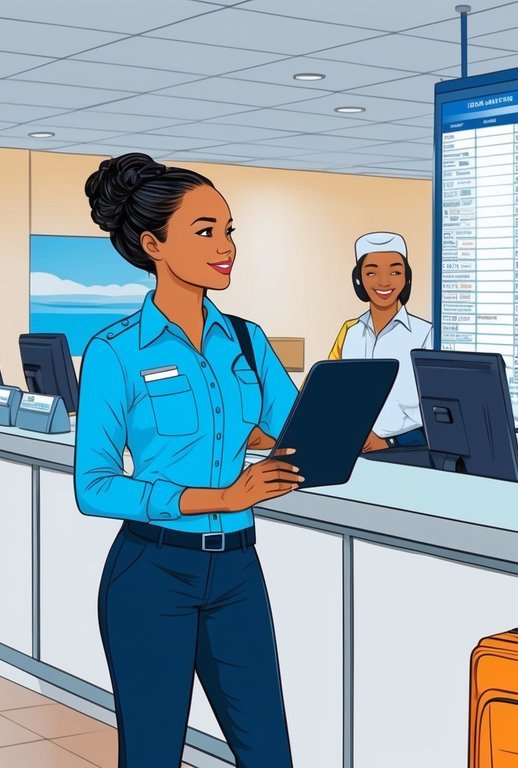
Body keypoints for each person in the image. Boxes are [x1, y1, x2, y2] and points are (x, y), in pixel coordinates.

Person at [73, 152, 303, 767]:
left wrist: (372, 433)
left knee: (270, 755)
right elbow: (94, 487)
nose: (225, 246)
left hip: (236, 575)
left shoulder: (249, 343)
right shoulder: (114, 352)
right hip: (152, 573)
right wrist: (223, 497)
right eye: (205, 232)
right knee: (151, 754)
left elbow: (295, 432)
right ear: (154, 244)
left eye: (229, 230)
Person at [328, 231, 434, 451]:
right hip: (350, 450)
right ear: (358, 279)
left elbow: (438, 416)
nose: (384, 282)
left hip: (408, 454)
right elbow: (333, 398)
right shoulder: (350, 332)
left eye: (395, 272)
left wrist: (389, 442)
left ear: (407, 278)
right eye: (371, 273)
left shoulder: (426, 335)